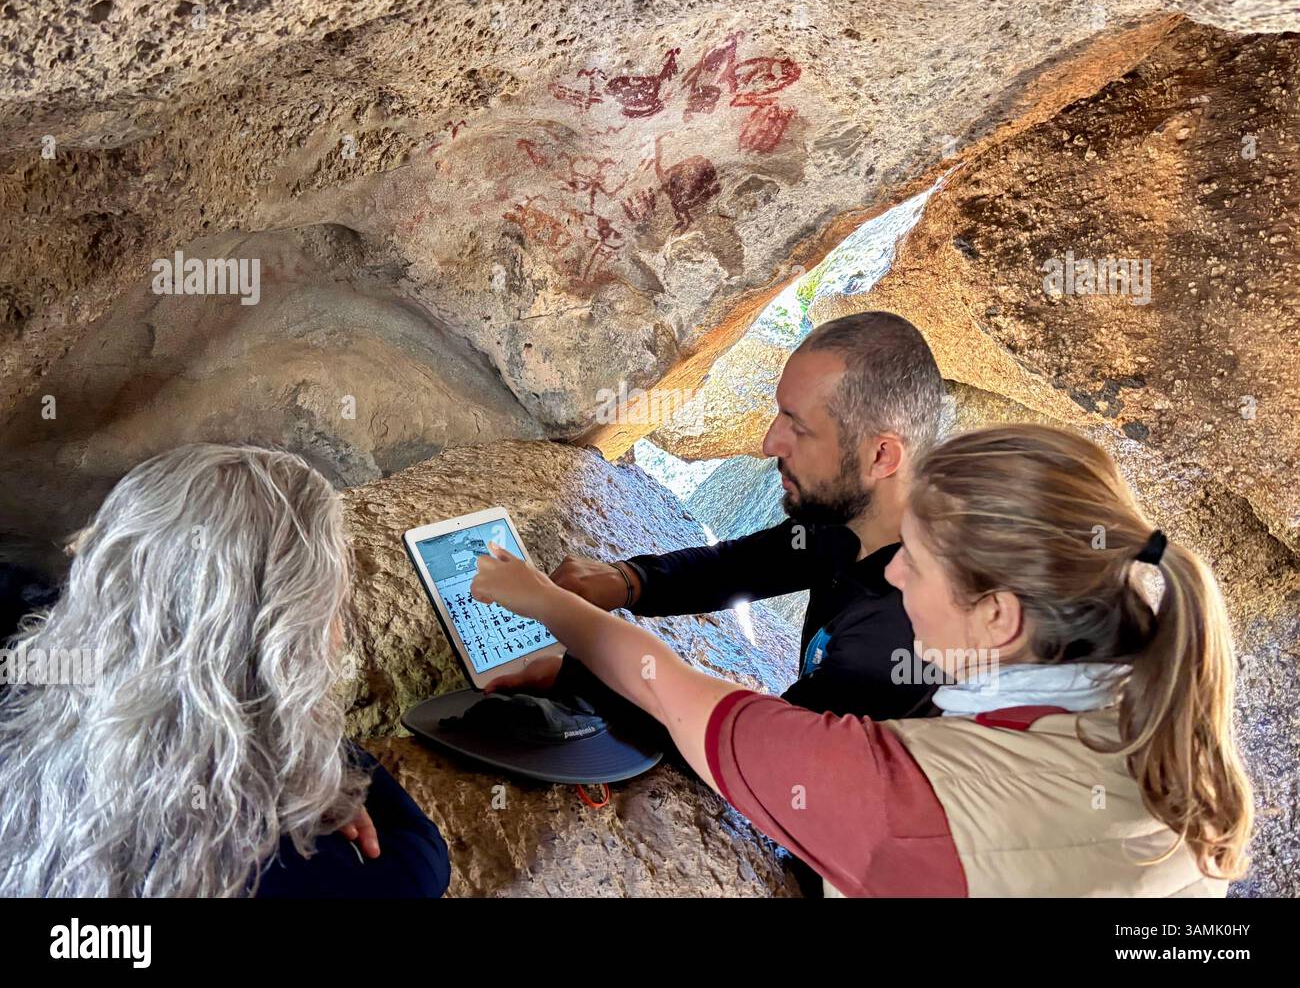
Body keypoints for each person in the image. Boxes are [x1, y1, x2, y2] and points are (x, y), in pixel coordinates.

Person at [471, 424, 1253, 896]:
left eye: (915, 560)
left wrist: (543, 602)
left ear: (997, 615)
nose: (896, 572)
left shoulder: (920, 794)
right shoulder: (1152, 712)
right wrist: (630, 582)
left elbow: (681, 698)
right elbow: (769, 557)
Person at [0, 444, 450, 899]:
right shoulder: (286, 858)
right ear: (287, 640)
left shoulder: (21, 692)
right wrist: (324, 768)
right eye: (330, 601)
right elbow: (416, 864)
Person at [494, 311, 948, 721]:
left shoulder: (910, 626)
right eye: (779, 414)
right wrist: (631, 580)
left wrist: (593, 678)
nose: (771, 444)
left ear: (882, 455)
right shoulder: (859, 520)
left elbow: (772, 750)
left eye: (799, 428)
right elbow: (748, 565)